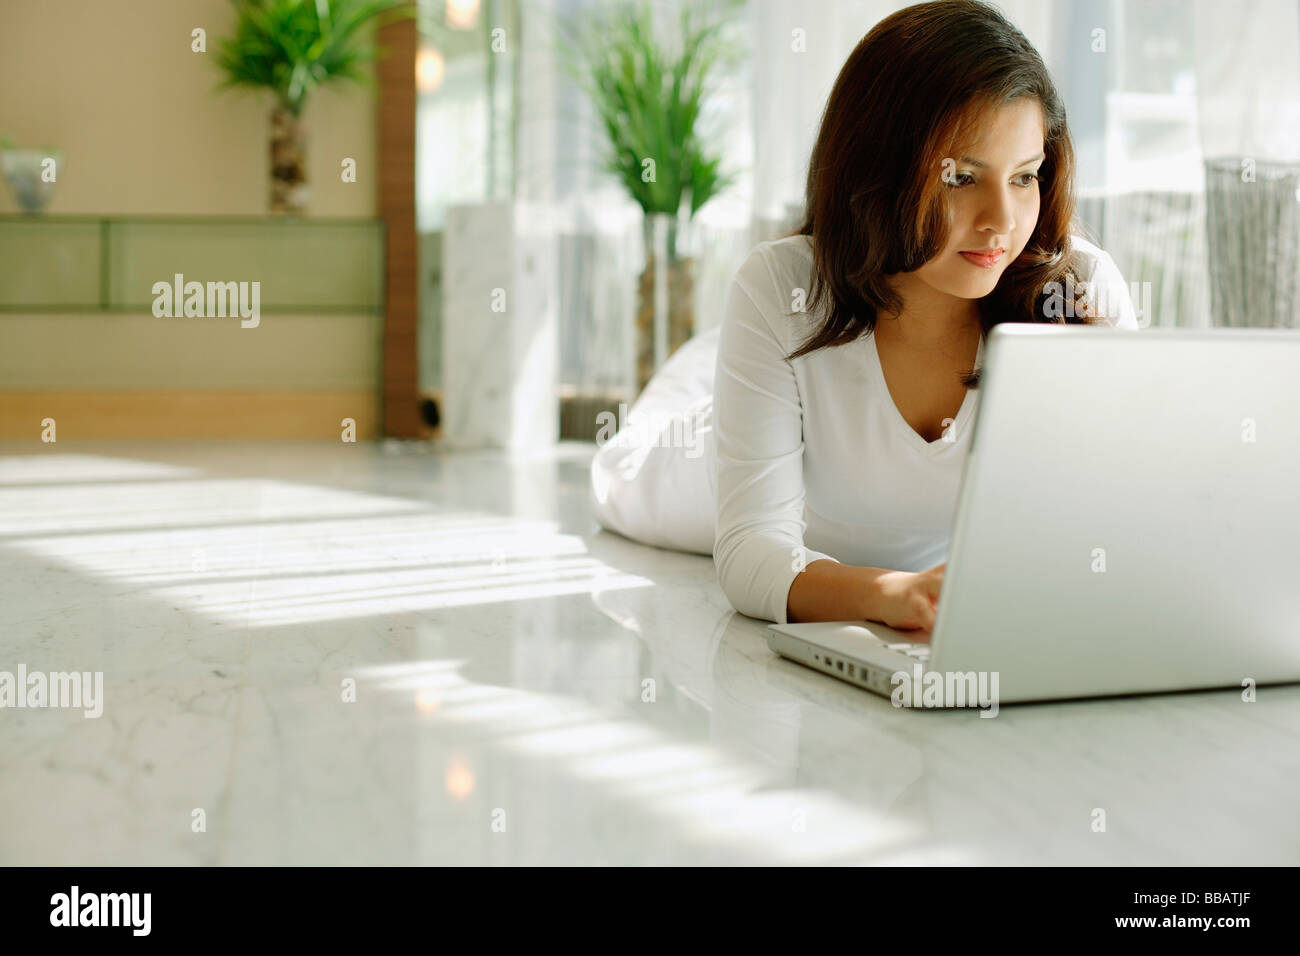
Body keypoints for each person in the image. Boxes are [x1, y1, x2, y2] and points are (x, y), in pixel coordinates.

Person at [590, 0, 1139, 631]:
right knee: (620, 468)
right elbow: (751, 555)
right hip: (686, 456)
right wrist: (890, 596)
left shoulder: (1079, 296)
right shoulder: (783, 288)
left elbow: (1113, 524)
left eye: (1024, 177)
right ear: (877, 169)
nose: (1002, 220)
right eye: (961, 177)